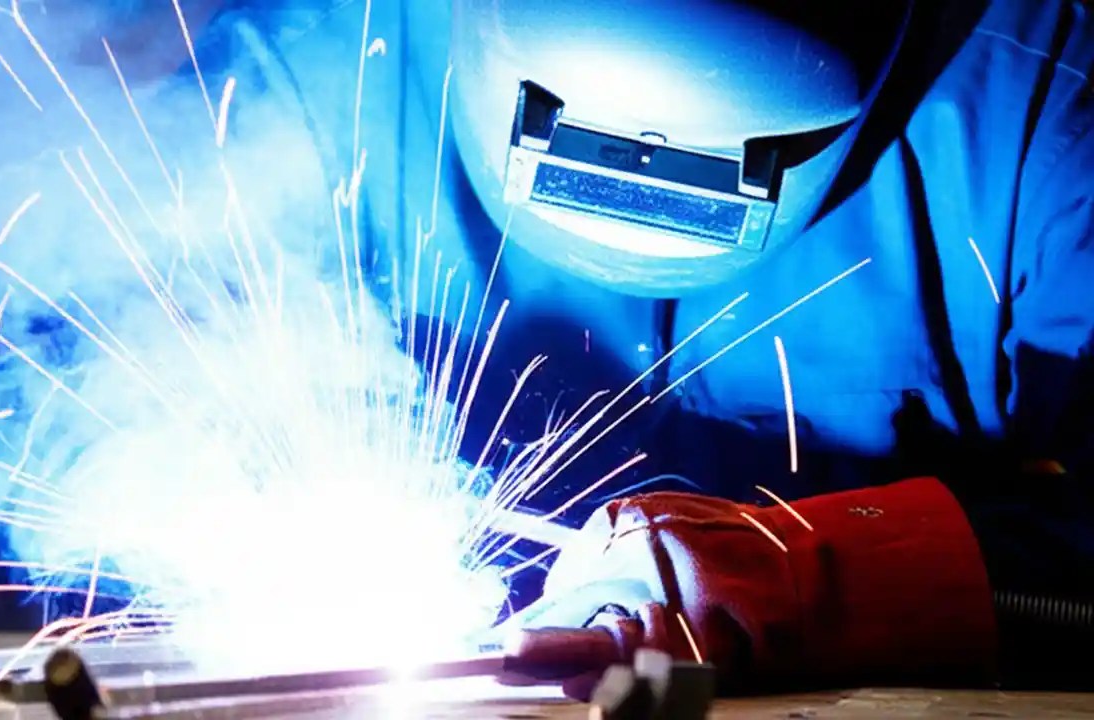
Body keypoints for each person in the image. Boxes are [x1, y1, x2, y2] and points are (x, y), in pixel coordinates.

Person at [196, 0, 1094, 695]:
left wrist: (824, 576)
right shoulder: (330, 53)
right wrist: (213, 495)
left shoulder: (1042, 96)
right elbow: (76, 355)